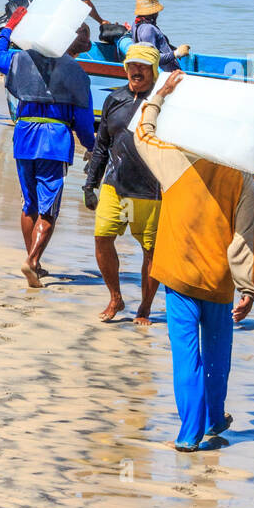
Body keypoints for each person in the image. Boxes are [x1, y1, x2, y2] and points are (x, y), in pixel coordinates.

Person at [134, 69, 254, 451]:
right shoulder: (244, 176)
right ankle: (215, 418)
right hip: (219, 282)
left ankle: (190, 434)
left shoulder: (174, 161)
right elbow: (243, 237)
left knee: (185, 356)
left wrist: (161, 95)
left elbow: (141, 133)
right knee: (218, 356)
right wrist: (248, 286)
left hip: (179, 277)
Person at [0, 21, 95, 287]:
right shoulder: (78, 75)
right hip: (54, 142)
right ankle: (32, 261)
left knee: (29, 204)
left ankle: (33, 262)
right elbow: (83, 123)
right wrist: (93, 148)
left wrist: (9, 28)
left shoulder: (22, 59)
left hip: (24, 136)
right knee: (48, 210)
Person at [83, 43, 162, 324]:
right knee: (102, 238)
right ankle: (115, 297)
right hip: (114, 185)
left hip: (151, 192)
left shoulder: (163, 103)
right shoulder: (114, 99)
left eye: (142, 66)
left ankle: (144, 309)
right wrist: (89, 185)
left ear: (153, 69)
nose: (136, 70)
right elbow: (102, 145)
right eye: (131, 65)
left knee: (151, 250)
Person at [119, 0, 189, 72]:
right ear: (153, 12)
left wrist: (174, 49)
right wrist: (176, 53)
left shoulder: (136, 24)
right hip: (166, 74)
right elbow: (154, 58)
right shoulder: (149, 29)